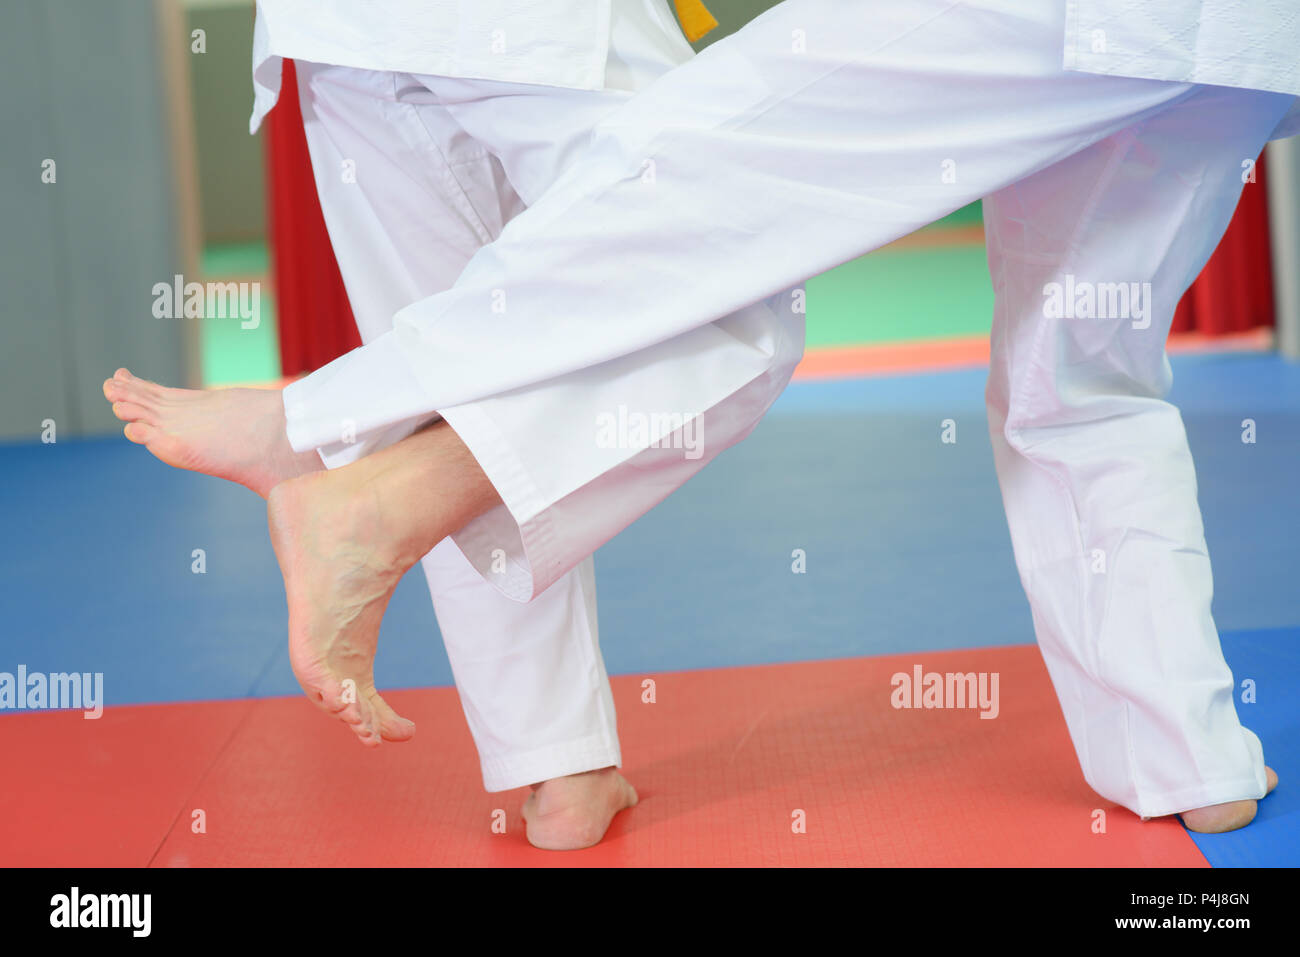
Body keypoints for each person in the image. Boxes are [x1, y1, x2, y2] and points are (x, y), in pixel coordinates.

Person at [110, 0, 1296, 836]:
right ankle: (1186, 758)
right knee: (1085, 378)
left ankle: (338, 447)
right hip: (1248, 43)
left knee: (680, 175)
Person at [105, 0, 798, 852]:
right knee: (739, 292)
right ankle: (316, 428)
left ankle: (560, 765)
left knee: (458, 374)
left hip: (334, 32)